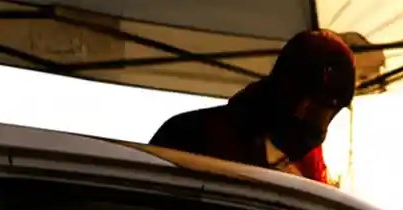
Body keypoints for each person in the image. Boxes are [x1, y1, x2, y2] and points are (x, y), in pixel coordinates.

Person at [149, 29, 356, 185]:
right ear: (288, 91)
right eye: (317, 109)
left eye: (330, 112)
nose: (320, 123)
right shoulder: (193, 133)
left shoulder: (308, 167)